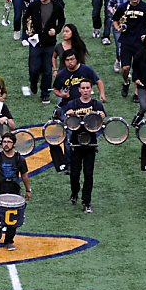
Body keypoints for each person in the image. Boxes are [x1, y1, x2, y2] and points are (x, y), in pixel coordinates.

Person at [62, 79, 106, 213]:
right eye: (83, 88)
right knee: (74, 174)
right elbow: (66, 120)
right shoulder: (73, 103)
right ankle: (74, 192)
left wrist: (102, 115)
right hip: (76, 143)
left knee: (88, 174)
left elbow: (101, 121)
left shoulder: (96, 104)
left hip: (90, 144)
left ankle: (86, 202)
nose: (86, 90)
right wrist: (69, 114)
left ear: (91, 89)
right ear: (79, 90)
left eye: (88, 88)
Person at [113, 0, 146, 99]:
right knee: (125, 68)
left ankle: (137, 92)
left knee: (138, 68)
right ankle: (126, 82)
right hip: (126, 41)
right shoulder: (123, 7)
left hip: (140, 43)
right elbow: (115, 20)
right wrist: (118, 28)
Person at [21, 0, 65, 104]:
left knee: (47, 69)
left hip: (50, 43)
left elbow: (62, 20)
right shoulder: (34, 5)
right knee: (34, 68)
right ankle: (33, 82)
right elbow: (25, 18)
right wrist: (28, 32)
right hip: (35, 42)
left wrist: (56, 30)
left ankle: (45, 93)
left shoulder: (57, 6)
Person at [106, 0, 133, 73]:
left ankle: (121, 61)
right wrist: (113, 11)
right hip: (118, 23)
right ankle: (122, 63)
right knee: (120, 45)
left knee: (129, 45)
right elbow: (109, 5)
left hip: (131, 23)